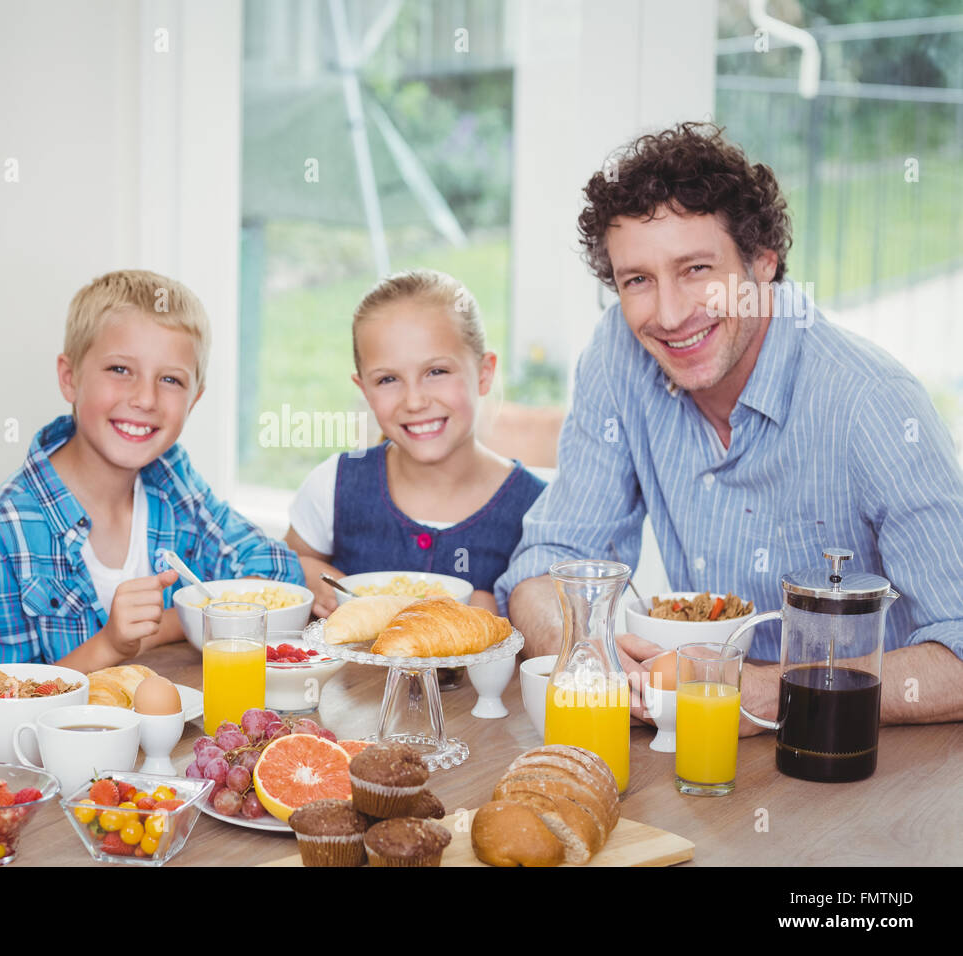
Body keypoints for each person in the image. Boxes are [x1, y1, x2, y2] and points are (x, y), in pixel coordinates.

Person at [496, 122, 963, 731]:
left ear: (763, 262)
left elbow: (956, 654)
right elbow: (550, 562)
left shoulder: (873, 402)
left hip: (867, 757)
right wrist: (592, 657)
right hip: (699, 746)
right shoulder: (619, 353)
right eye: (638, 280)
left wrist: (751, 692)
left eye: (695, 269)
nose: (668, 315)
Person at [0, 269, 304, 670]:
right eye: (120, 370)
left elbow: (278, 574)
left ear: (194, 399)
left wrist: (161, 627)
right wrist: (110, 645)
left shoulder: (171, 480)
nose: (145, 398)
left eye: (171, 380)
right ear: (69, 379)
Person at [288, 269, 546, 620]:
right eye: (388, 379)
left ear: (484, 374)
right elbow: (291, 561)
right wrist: (314, 580)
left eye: (436, 372)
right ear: (363, 389)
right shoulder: (332, 485)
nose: (414, 401)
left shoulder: (538, 511)